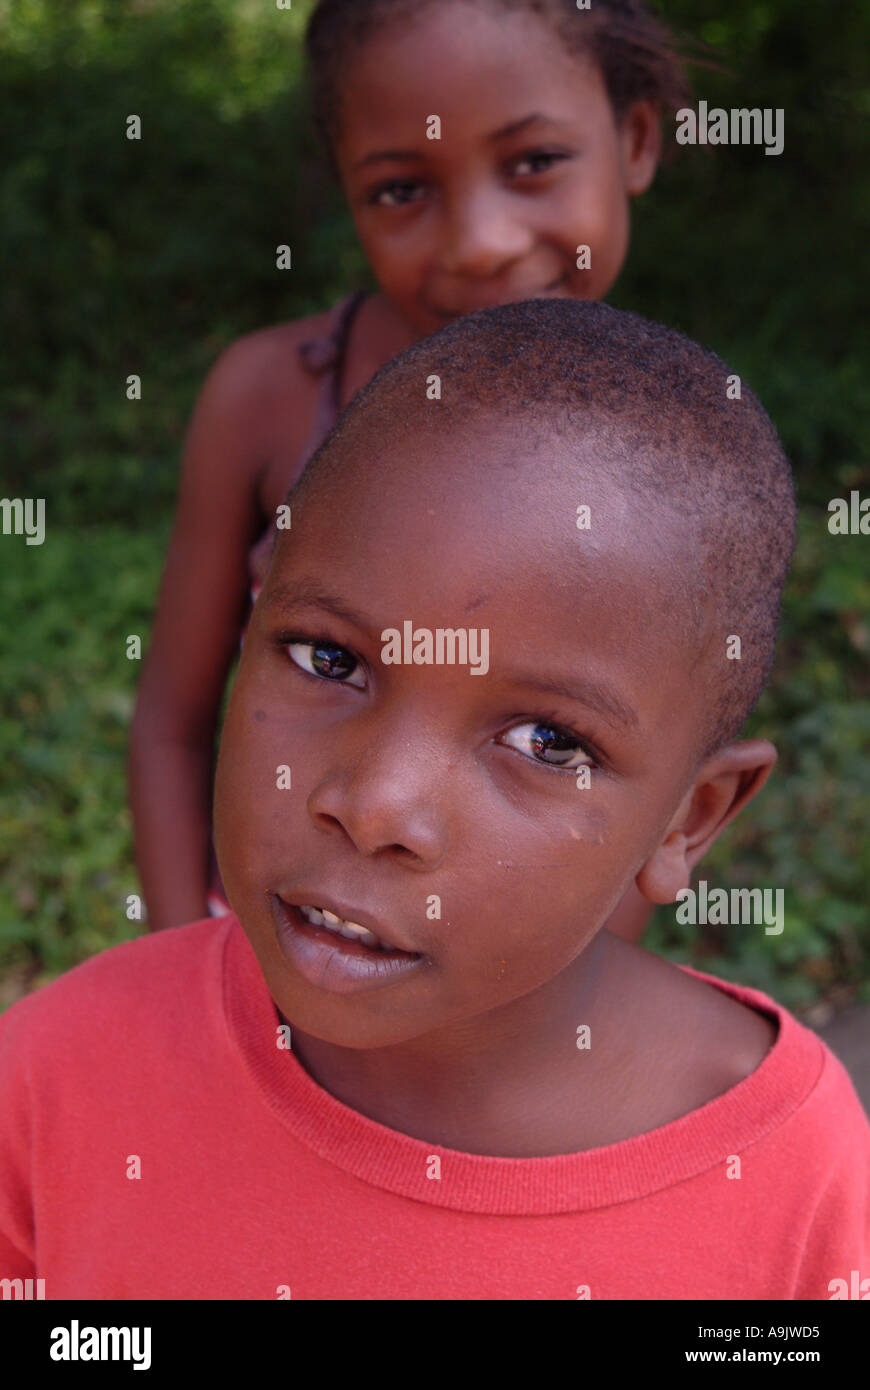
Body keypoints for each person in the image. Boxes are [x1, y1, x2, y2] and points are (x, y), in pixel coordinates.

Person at [3, 300, 867, 1300]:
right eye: (329, 658)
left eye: (548, 742)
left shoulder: (783, 1179)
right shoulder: (60, 1075)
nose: (374, 806)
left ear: (690, 818)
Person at [128, 0, 691, 936]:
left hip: (513, 1000)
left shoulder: (681, 457)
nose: (480, 240)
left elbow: (644, 792)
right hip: (277, 941)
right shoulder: (269, 399)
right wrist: (186, 982)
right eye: (401, 189)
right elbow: (172, 726)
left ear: (634, 140)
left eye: (533, 163)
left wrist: (555, 1031)